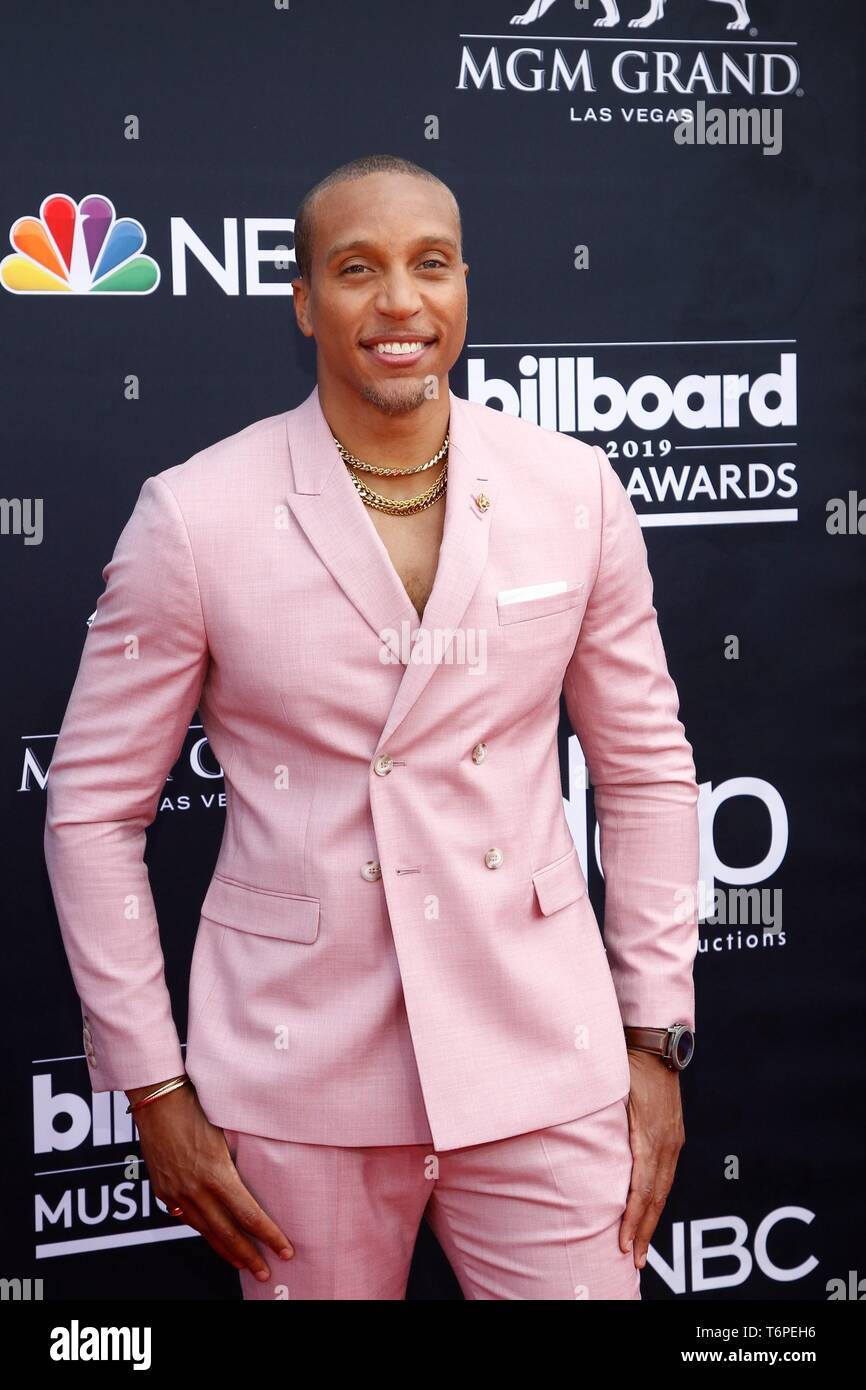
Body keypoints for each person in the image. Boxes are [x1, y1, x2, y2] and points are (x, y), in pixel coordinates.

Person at [44, 153, 700, 1300]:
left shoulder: (574, 489)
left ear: (462, 288)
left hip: (542, 1053)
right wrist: (154, 1088)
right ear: (302, 300)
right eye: (357, 269)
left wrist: (652, 1037)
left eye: (428, 265)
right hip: (301, 1077)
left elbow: (644, 775)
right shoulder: (195, 516)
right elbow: (93, 811)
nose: (399, 301)